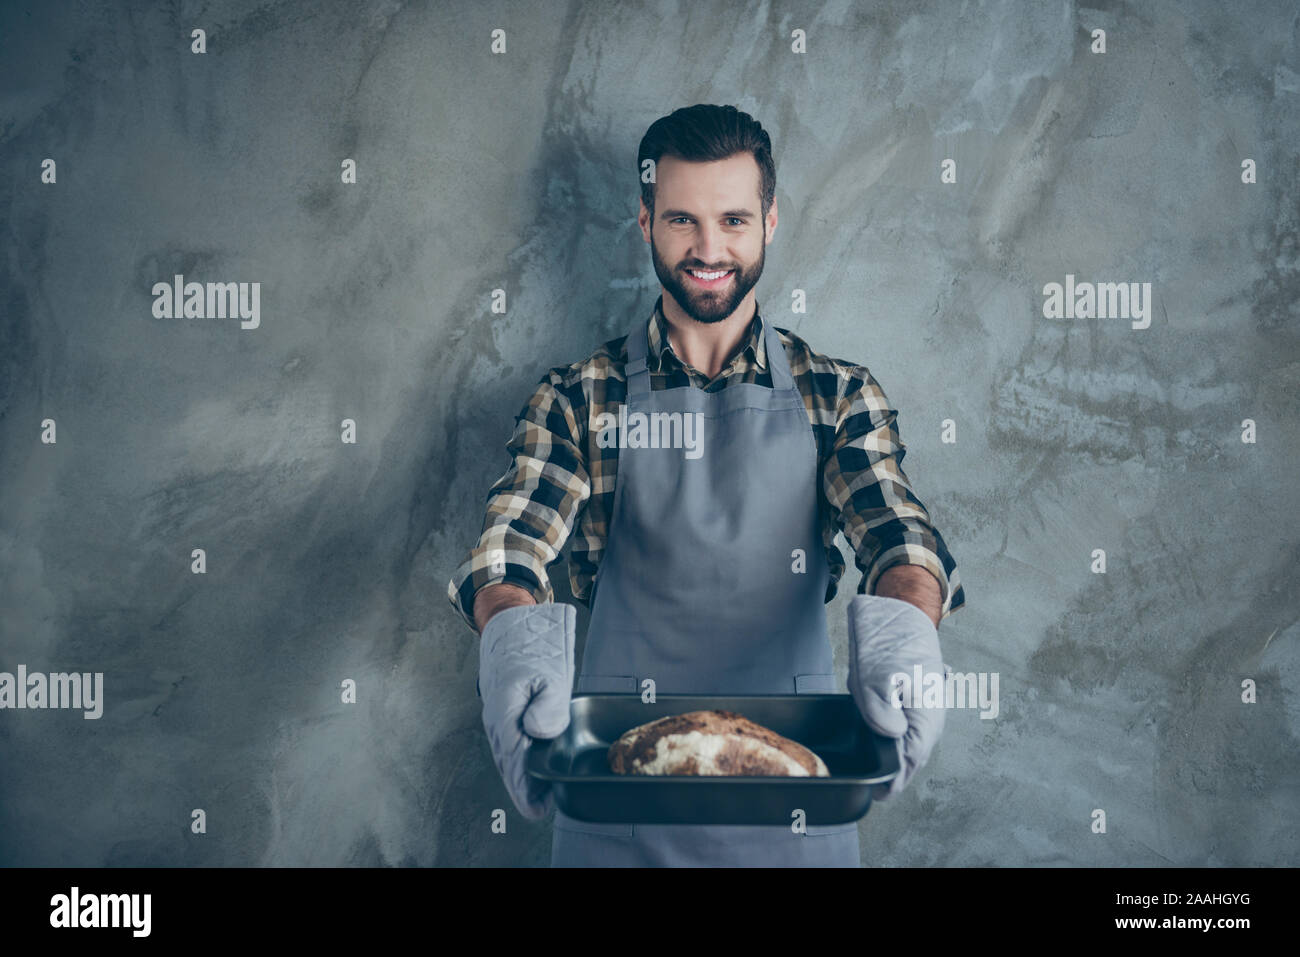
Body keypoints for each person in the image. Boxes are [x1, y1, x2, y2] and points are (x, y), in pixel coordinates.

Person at [448, 104, 966, 867]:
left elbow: (897, 534)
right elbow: (510, 549)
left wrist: (906, 626)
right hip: (615, 812)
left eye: (732, 218)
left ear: (771, 219)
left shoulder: (837, 396)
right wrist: (510, 637)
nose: (709, 248)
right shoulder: (579, 399)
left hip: (797, 805)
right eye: (682, 220)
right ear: (646, 220)